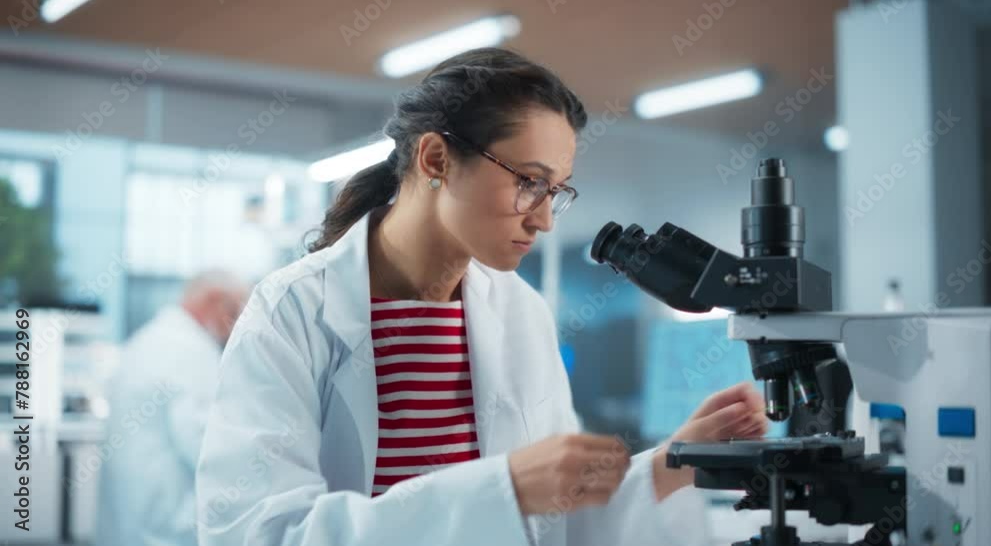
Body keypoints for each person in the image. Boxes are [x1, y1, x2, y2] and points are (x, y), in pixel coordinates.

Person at [196, 48, 769, 546]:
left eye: (555, 190)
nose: (545, 219)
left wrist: (677, 459)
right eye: (528, 182)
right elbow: (259, 532)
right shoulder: (291, 312)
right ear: (436, 159)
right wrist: (504, 490)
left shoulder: (520, 312)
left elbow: (555, 521)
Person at [96, 270, 249, 546]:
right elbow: (208, 446)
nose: (238, 324)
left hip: (132, 520)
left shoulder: (152, 339)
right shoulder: (190, 352)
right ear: (216, 301)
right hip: (167, 525)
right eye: (238, 310)